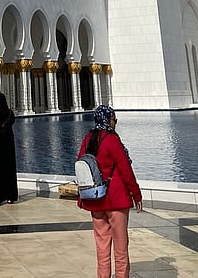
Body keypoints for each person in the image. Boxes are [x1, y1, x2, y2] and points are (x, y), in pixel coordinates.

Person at [77, 105, 142, 278]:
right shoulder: (112, 139)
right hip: (116, 200)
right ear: (109, 119)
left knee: (102, 247)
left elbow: (80, 165)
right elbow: (125, 169)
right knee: (121, 249)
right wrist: (136, 194)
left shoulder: (88, 138)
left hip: (95, 200)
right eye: (114, 119)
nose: (115, 122)